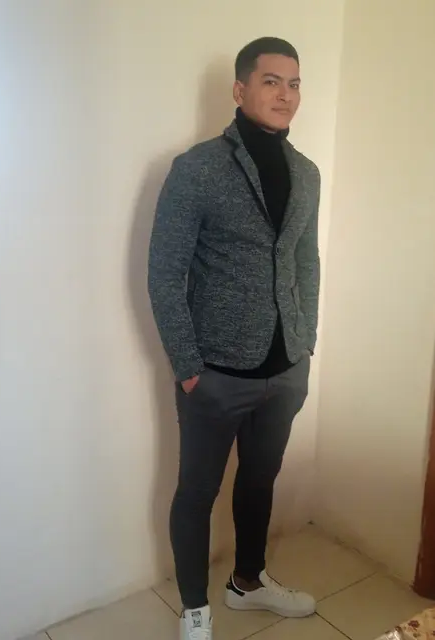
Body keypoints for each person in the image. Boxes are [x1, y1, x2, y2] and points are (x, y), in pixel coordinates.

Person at [148, 36, 321, 640]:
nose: (285, 94)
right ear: (240, 89)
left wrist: (306, 342)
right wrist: (188, 366)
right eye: (272, 81)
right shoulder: (197, 168)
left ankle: (248, 582)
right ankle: (195, 609)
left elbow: (305, 261)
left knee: (259, 480)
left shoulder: (306, 173)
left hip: (285, 370)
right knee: (196, 492)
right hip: (215, 375)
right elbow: (164, 272)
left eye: (294, 84)